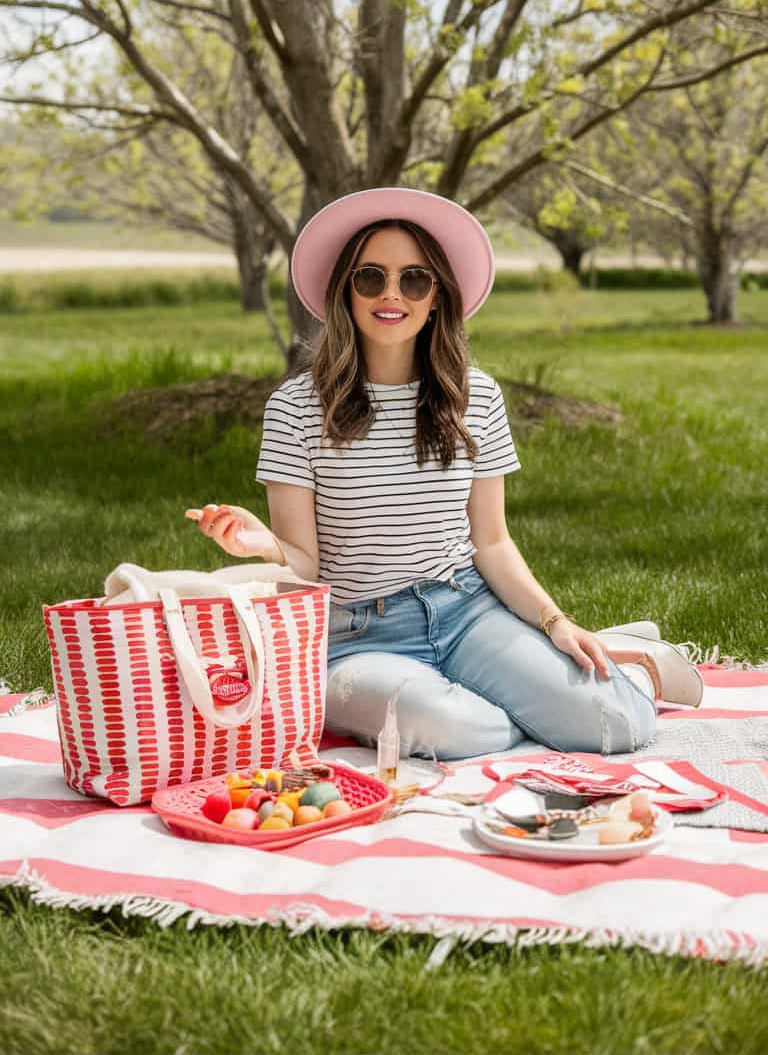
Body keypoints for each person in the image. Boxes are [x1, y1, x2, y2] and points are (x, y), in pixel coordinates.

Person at [187, 187, 702, 761]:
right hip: (353, 640)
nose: (391, 294)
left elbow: (492, 541)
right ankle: (521, 700)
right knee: (457, 732)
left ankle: (627, 660)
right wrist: (264, 545)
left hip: (465, 611)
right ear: (344, 293)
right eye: (370, 277)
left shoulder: (475, 397)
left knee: (619, 726)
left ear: (436, 297)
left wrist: (556, 622)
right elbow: (304, 564)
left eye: (414, 279)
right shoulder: (294, 407)